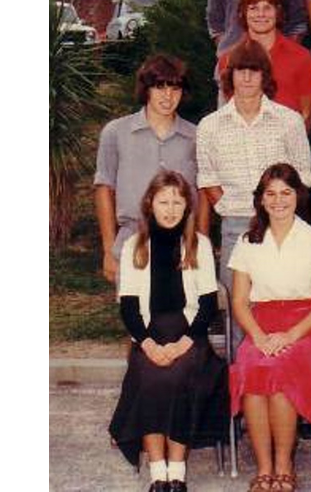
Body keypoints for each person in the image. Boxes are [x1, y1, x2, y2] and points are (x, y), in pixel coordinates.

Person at [108, 171, 228, 492]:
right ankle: (157, 471)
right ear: (150, 203)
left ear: (188, 206)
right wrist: (147, 345)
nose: (171, 209)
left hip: (190, 334)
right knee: (149, 377)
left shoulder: (198, 244)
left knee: (177, 377)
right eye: (164, 201)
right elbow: (129, 306)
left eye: (178, 201)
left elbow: (206, 304)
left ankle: (177, 469)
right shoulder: (135, 245)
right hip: (149, 335)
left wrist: (181, 345)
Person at [197, 39, 311, 346]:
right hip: (236, 226)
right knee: (241, 311)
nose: (247, 78)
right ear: (229, 76)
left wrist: (277, 215)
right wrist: (231, 208)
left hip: (283, 226)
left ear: (265, 76)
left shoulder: (289, 121)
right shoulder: (209, 126)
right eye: (240, 71)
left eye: (254, 71)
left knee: (282, 302)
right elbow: (208, 179)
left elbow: (303, 176)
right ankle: (243, 383)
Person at [228, 164, 311, 492]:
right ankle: (264, 467)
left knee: (282, 365)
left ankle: (285, 464)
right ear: (260, 200)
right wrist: (258, 337)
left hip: (304, 327)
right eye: (270, 194)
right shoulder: (248, 241)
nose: (278, 200)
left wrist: (290, 335)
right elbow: (240, 302)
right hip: (260, 325)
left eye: (285, 193)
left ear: (297, 196)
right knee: (252, 364)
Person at [94, 54, 204, 285]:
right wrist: (108, 250)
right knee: (137, 315)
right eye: (159, 87)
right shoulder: (116, 132)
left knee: (186, 313)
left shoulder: (197, 136)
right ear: (146, 90)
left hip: (183, 241)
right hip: (132, 239)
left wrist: (199, 242)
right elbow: (104, 189)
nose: (168, 96)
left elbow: (203, 192)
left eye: (175, 88)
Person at [216, 0, 311, 129]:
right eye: (253, 8)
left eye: (267, 7)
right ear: (243, 13)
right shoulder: (228, 59)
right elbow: (228, 112)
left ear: (278, 12)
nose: (261, 14)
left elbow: (307, 114)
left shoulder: (301, 57)